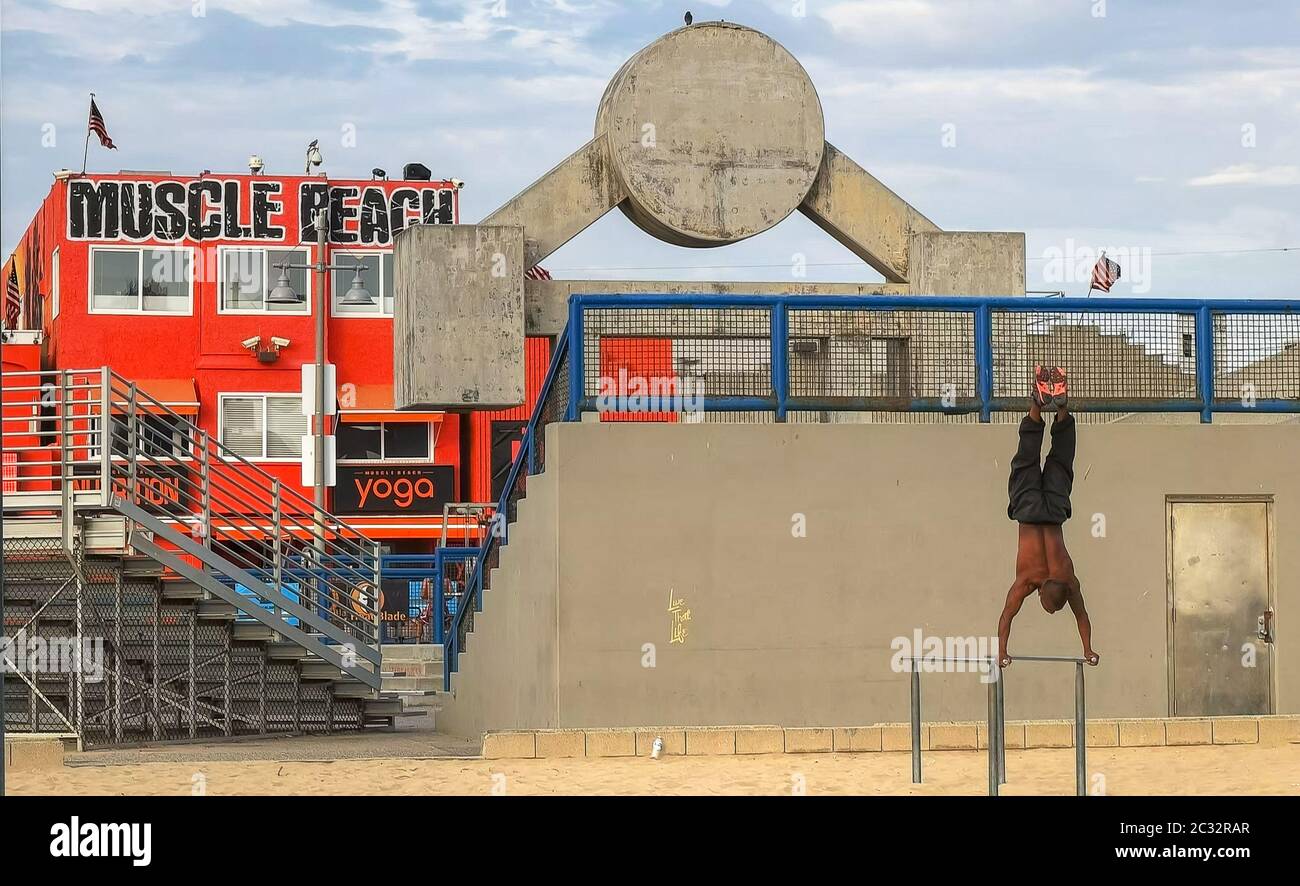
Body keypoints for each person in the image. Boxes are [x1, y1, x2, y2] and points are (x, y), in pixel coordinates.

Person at [997, 366, 1100, 669]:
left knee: (1061, 460)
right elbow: (1005, 617)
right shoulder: (1028, 580)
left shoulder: (1067, 578)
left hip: (1053, 510)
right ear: (1041, 590)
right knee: (1026, 459)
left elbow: (1081, 616)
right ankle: (1037, 405)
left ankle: (1061, 408)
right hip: (1028, 510)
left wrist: (1089, 649)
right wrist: (1001, 651)